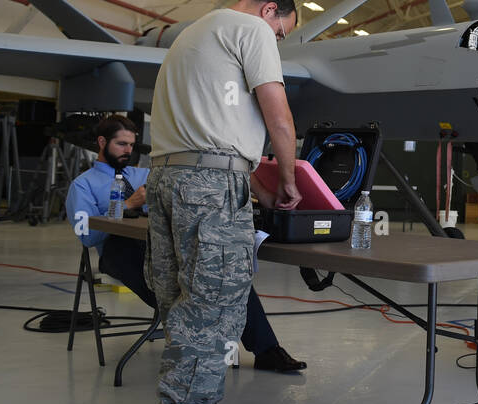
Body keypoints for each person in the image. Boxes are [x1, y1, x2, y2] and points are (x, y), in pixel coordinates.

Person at [144, 0, 302, 404]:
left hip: (167, 178)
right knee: (212, 307)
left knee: (181, 300)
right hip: (209, 189)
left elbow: (210, 134)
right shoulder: (251, 28)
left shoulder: (191, 35)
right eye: (283, 33)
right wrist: (290, 178)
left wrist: (257, 189)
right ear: (270, 10)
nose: (276, 41)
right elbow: (278, 117)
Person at [64, 115, 307, 374]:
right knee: (182, 291)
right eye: (121, 144)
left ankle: (267, 350)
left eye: (132, 145)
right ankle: (198, 348)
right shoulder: (83, 185)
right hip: (119, 251)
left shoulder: (144, 174)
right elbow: (86, 236)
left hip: (160, 243)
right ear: (102, 142)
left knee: (225, 272)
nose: (128, 151)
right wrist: (126, 206)